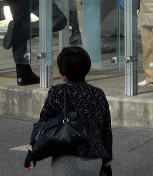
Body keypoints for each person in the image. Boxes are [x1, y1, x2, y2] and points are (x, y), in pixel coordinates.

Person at [24, 46, 112, 175]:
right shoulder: (98, 93)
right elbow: (106, 132)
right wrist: (106, 165)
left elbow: (42, 125)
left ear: (63, 73)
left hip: (66, 159)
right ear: (87, 69)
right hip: (94, 161)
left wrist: (32, 153)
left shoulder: (57, 91)